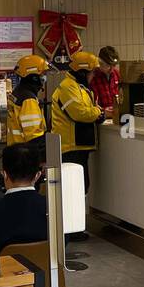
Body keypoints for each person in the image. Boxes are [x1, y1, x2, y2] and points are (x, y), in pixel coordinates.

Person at [49, 51, 104, 192]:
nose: (93, 76)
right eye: (91, 72)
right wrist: (98, 112)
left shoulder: (79, 87)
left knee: (82, 186)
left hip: (78, 147)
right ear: (82, 72)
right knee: (74, 189)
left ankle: (80, 213)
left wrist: (96, 112)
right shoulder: (68, 87)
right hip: (70, 148)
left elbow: (87, 110)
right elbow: (79, 113)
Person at [6, 54, 49, 149]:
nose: (44, 78)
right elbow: (34, 136)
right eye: (42, 74)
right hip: (26, 154)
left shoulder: (18, 92)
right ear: (33, 77)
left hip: (16, 150)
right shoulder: (28, 99)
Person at [91, 46, 122, 118]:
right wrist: (103, 111)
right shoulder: (93, 77)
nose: (111, 69)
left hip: (115, 116)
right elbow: (90, 104)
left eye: (113, 65)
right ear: (100, 62)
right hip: (100, 117)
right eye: (108, 65)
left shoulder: (117, 74)